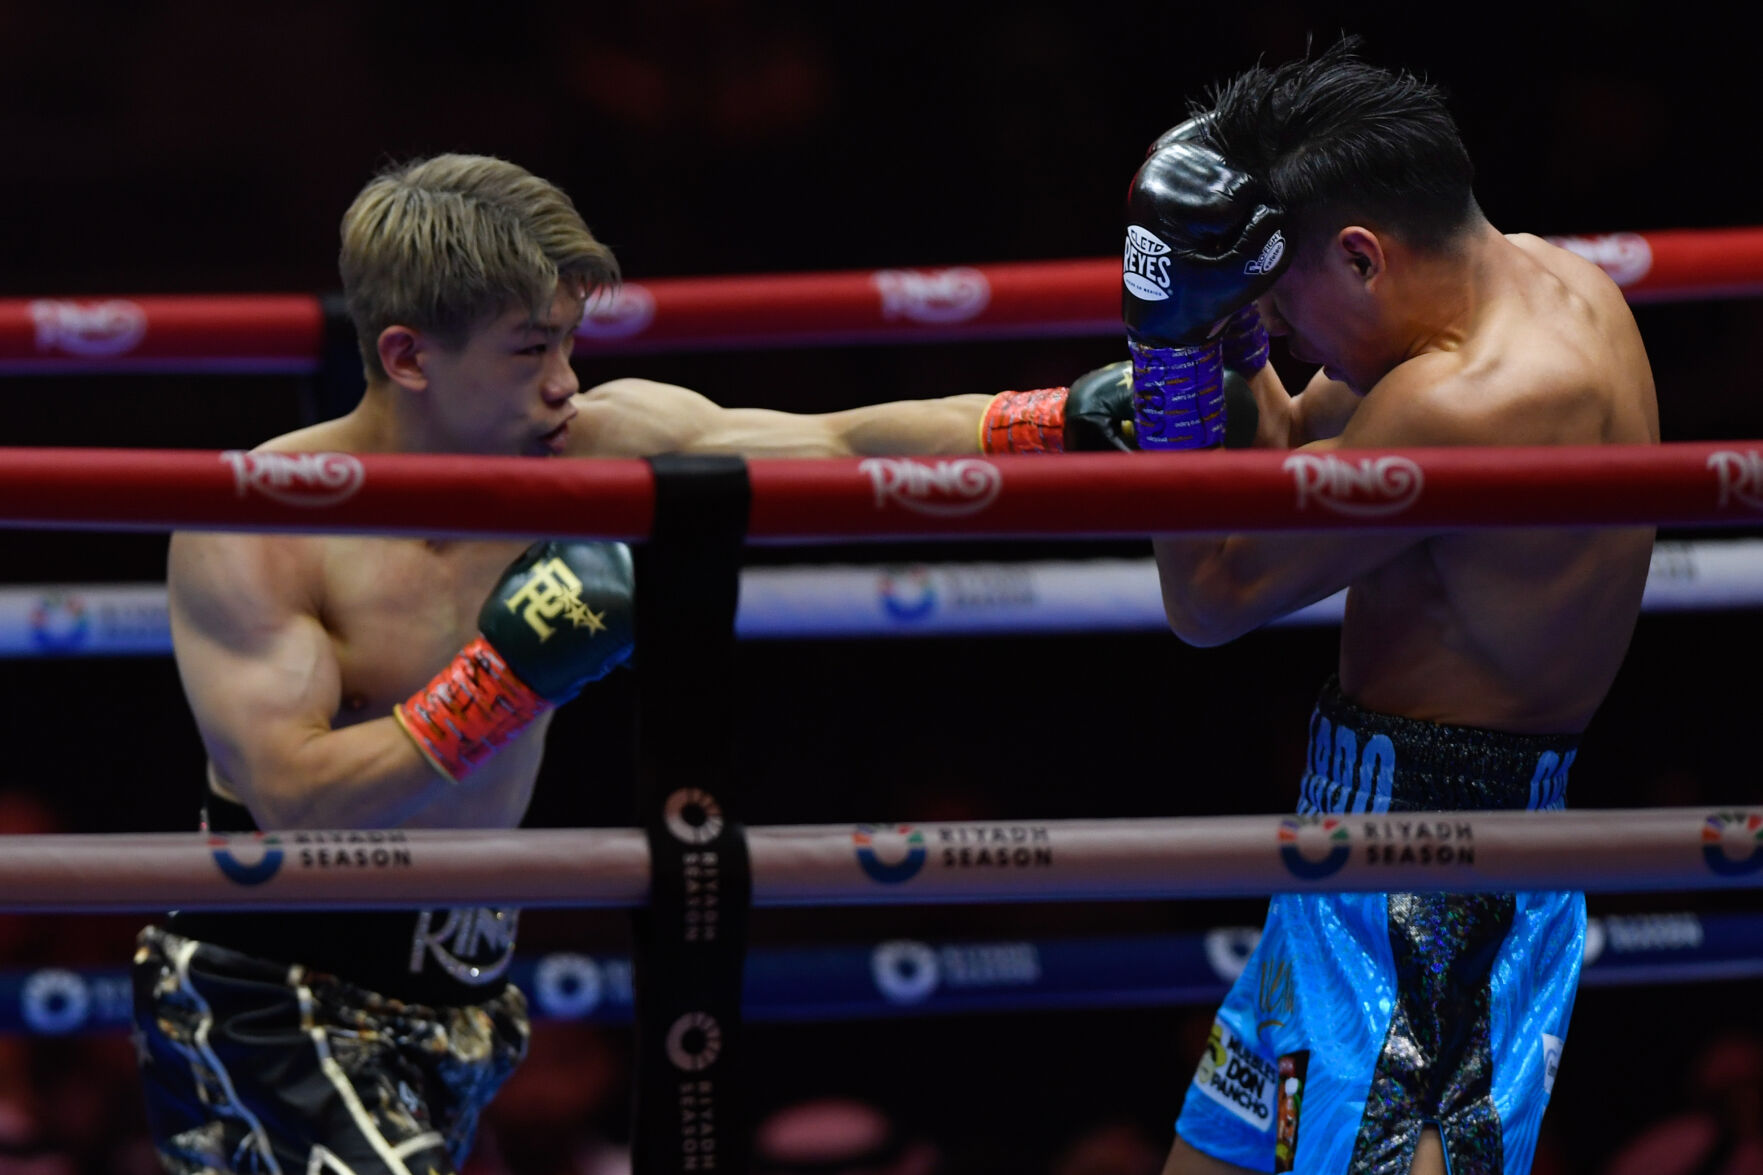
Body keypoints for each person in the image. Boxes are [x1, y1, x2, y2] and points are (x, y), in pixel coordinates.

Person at [129, 151, 1138, 1175]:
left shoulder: (594, 445)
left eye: (568, 340)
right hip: (269, 987)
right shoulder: (258, 519)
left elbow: (837, 442)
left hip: (463, 985)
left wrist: (1061, 418)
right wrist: (505, 676)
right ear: (408, 355)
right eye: (528, 350)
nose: (564, 380)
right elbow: (294, 798)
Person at [1122, 42, 1659, 1175]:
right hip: (1361, 846)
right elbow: (1281, 443)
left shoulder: (1464, 400)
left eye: (1277, 300)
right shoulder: (1528, 292)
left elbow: (1205, 596)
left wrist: (1170, 352)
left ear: (1360, 257)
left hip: (1431, 892)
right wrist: (1223, 326)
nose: (1276, 333)